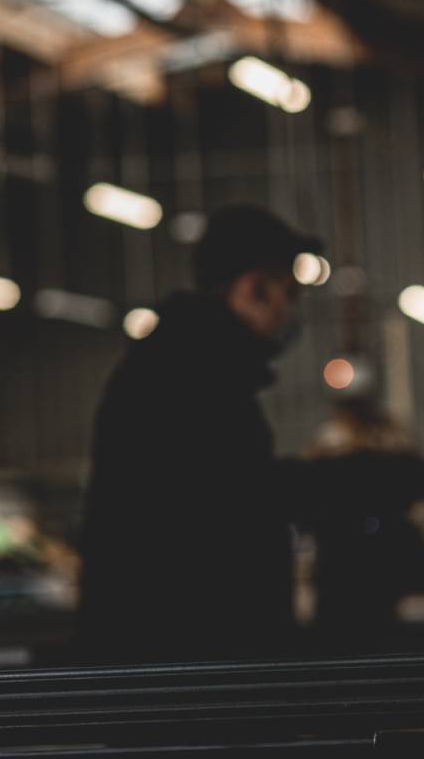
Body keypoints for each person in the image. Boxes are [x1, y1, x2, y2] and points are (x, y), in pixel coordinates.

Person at [78, 204, 320, 661]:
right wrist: (332, 483)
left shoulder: (178, 361)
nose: (289, 312)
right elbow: (230, 503)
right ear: (254, 288)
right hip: (183, 665)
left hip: (166, 662)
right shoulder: (194, 372)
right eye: (289, 294)